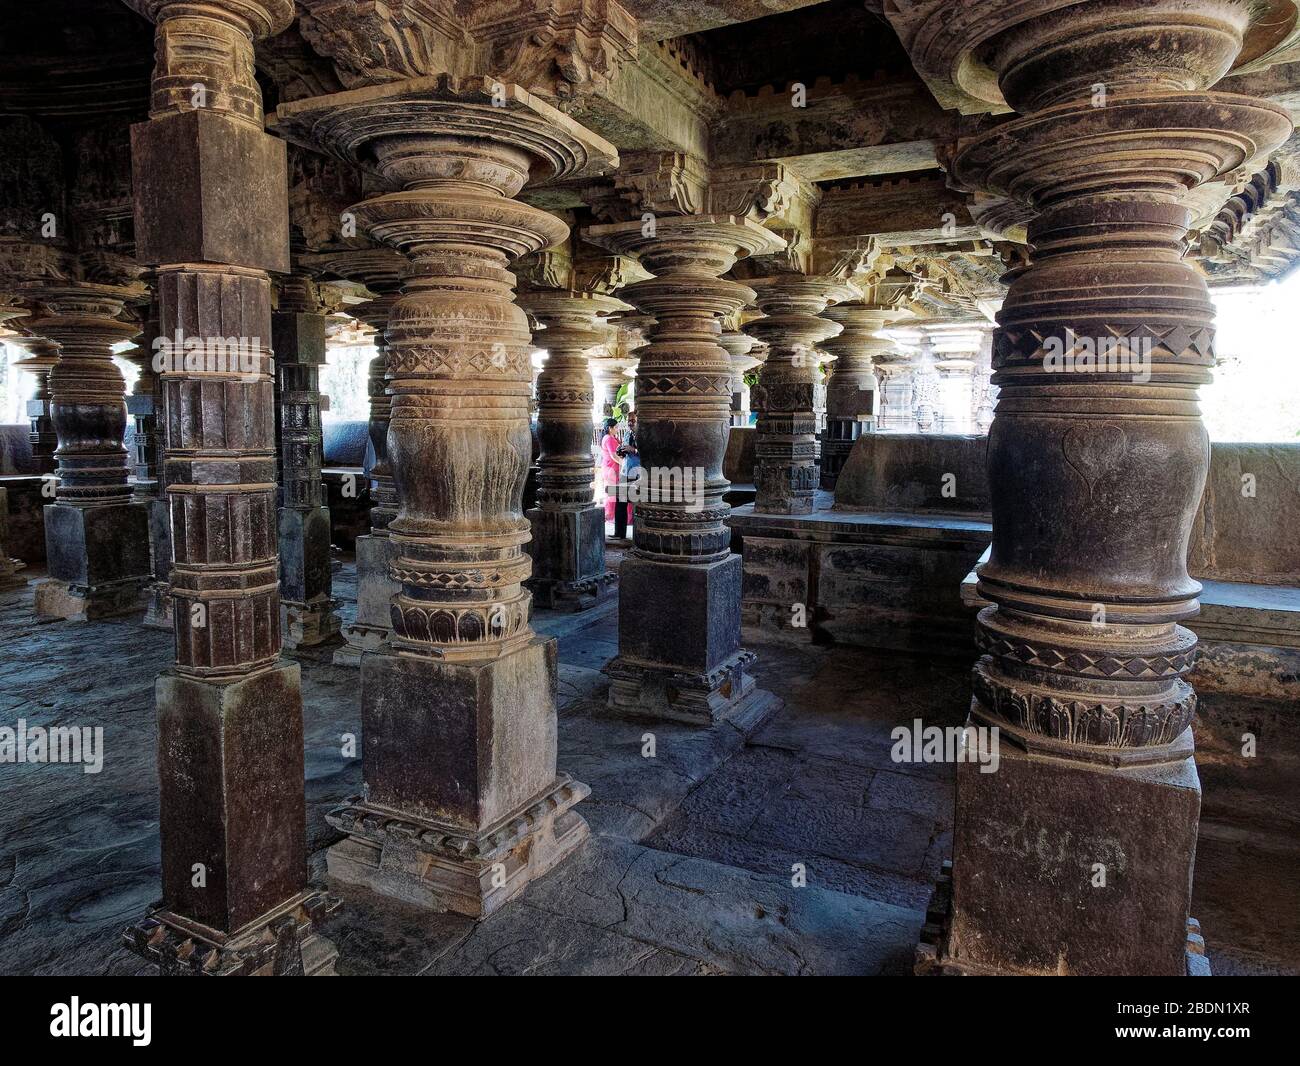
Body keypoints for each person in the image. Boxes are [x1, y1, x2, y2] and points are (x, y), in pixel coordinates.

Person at [616, 411, 639, 537]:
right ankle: (619, 533)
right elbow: (625, 449)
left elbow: (649, 452)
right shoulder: (626, 434)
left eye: (633, 420)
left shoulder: (643, 435)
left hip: (638, 472)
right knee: (620, 500)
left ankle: (638, 533)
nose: (630, 423)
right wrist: (621, 451)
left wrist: (634, 450)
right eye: (629, 420)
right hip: (626, 470)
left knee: (637, 502)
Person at [600, 417, 622, 523]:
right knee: (612, 495)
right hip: (611, 469)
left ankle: (610, 516)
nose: (617, 429)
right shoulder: (609, 439)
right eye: (616, 427)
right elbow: (614, 456)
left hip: (609, 468)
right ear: (610, 428)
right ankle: (609, 516)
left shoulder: (607, 438)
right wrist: (625, 464)